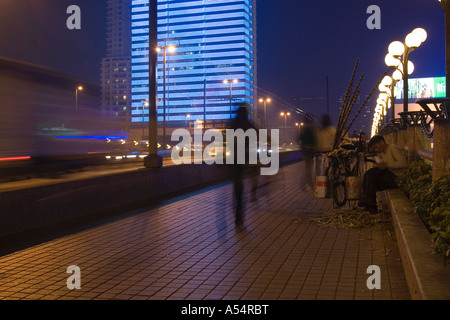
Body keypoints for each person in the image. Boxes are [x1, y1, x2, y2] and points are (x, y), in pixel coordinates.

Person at [359, 135, 407, 214]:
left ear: (382, 142)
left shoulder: (393, 148)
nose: (376, 149)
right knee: (369, 174)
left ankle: (370, 203)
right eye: (374, 148)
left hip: (397, 177)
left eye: (376, 146)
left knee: (372, 174)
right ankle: (369, 203)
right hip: (390, 175)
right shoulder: (383, 153)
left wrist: (387, 165)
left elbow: (403, 163)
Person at [230, 104, 256, 225]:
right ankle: (252, 193)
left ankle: (237, 211)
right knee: (253, 174)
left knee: (237, 184)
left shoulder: (233, 124)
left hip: (233, 158)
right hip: (245, 156)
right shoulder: (248, 125)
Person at [298, 113, 317, 191]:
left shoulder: (303, 129)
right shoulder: (312, 129)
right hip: (311, 150)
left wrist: (301, 146)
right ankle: (310, 184)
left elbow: (298, 139)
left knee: (308, 167)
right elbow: (315, 140)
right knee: (310, 167)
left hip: (305, 150)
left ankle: (307, 184)